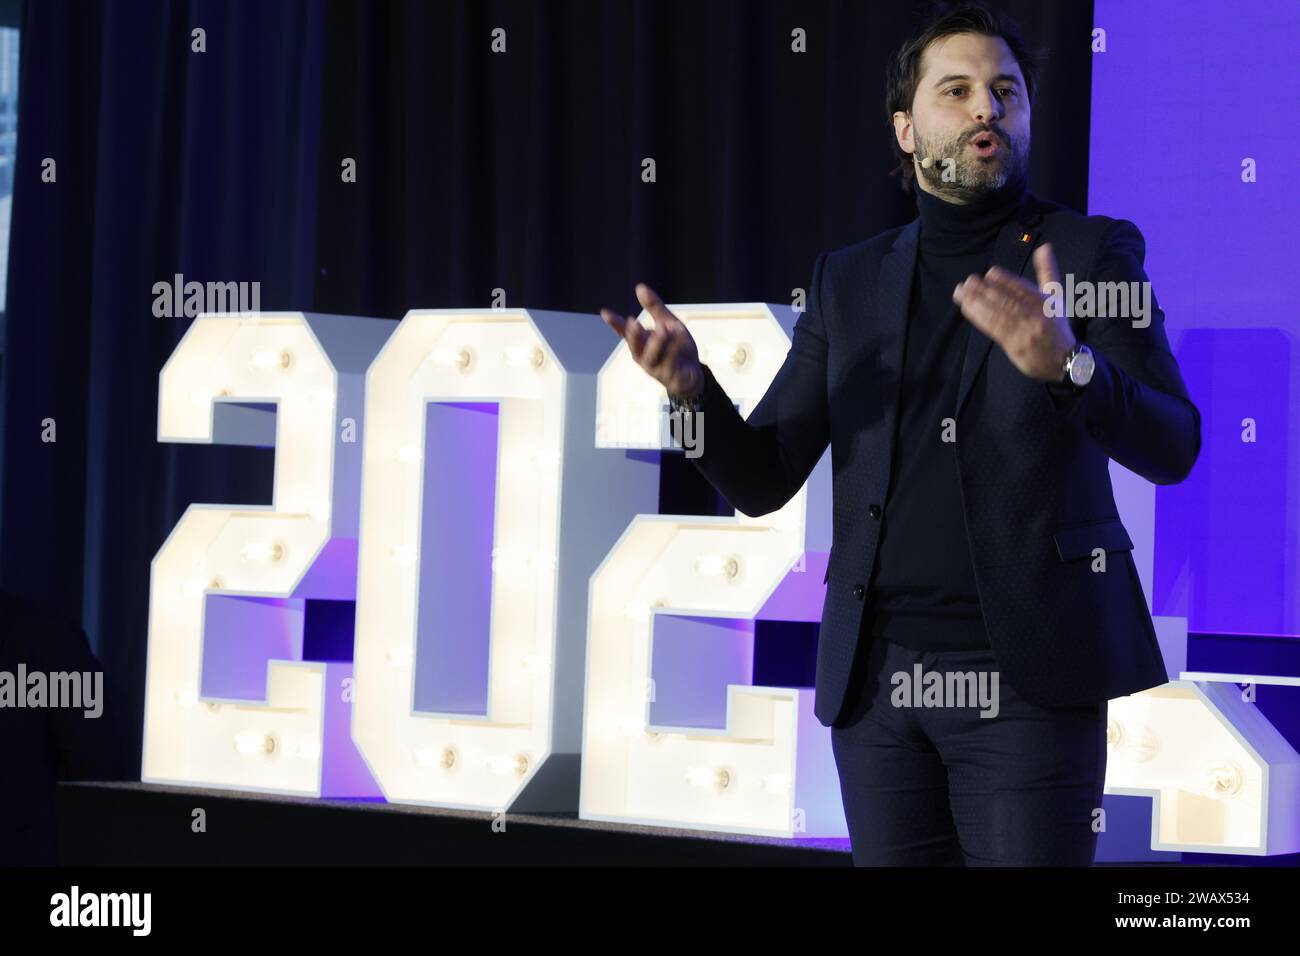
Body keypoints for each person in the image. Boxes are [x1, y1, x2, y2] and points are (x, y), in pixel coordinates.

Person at [598, 3, 1200, 865]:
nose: (987, 108)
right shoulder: (848, 281)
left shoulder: (1091, 254)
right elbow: (765, 477)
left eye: (1006, 91)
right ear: (906, 128)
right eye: (956, 91)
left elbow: (1175, 444)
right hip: (878, 690)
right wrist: (693, 394)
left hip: (1028, 686)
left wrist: (1070, 368)